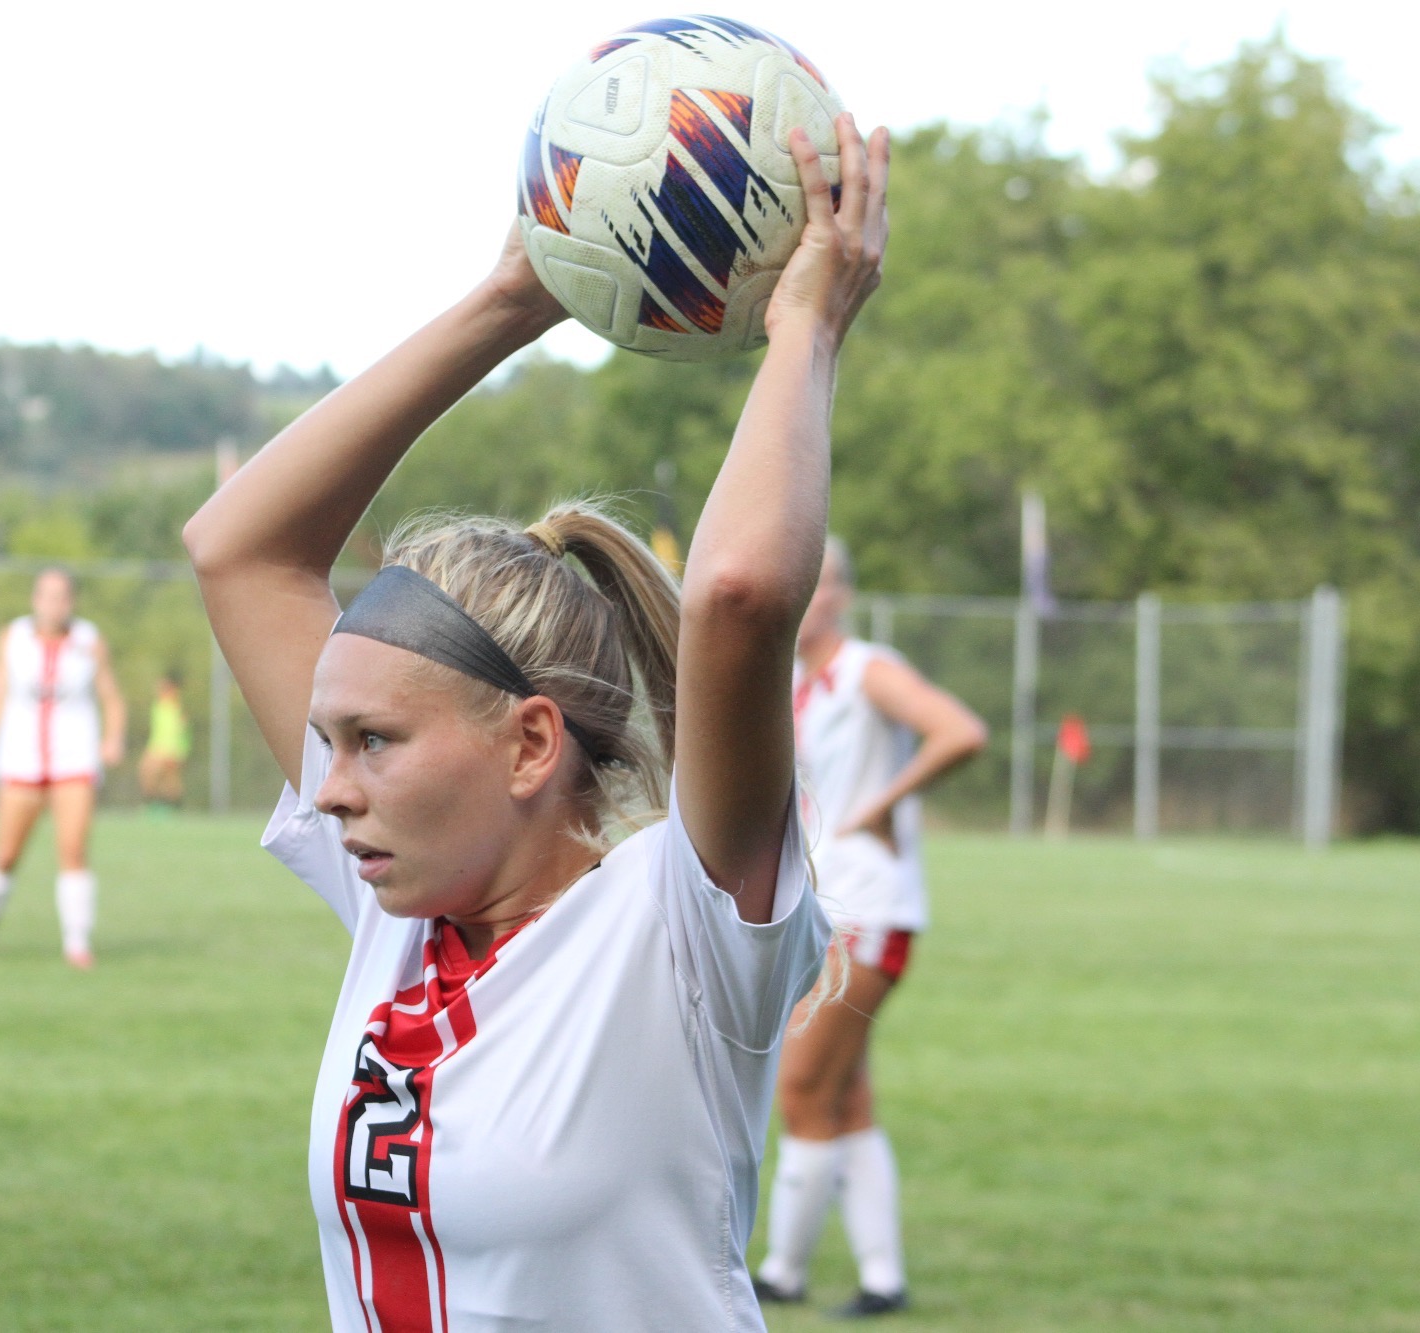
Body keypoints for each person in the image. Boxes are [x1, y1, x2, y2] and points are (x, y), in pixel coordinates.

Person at [183, 116, 889, 1330]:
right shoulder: (399, 922)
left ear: (528, 743)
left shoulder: (677, 929)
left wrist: (804, 331)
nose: (328, 786)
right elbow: (236, 550)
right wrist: (517, 294)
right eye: (333, 741)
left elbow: (734, 596)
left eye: (373, 742)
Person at [752, 538, 989, 1317]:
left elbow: (959, 730)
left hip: (872, 908)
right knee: (846, 1095)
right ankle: (883, 1278)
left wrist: (884, 805)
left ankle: (783, 1270)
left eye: (818, 585)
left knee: (800, 1082)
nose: (805, 598)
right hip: (824, 907)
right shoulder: (791, 682)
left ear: (842, 595)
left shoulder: (864, 670)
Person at [0, 567, 127, 968]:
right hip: (20, 759)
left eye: (62, 596)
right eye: (47, 595)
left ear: (73, 600)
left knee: (73, 852)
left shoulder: (89, 640)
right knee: (5, 853)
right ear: (35, 599)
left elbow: (112, 698)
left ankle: (77, 943)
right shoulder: (12, 638)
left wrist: (113, 737)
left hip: (74, 760)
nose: (54, 604)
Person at [139, 672, 192, 814]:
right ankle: (155, 805)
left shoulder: (176, 706)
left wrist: (179, 751)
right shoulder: (158, 705)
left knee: (170, 782)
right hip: (156, 746)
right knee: (148, 774)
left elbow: (182, 730)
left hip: (172, 748)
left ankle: (171, 808)